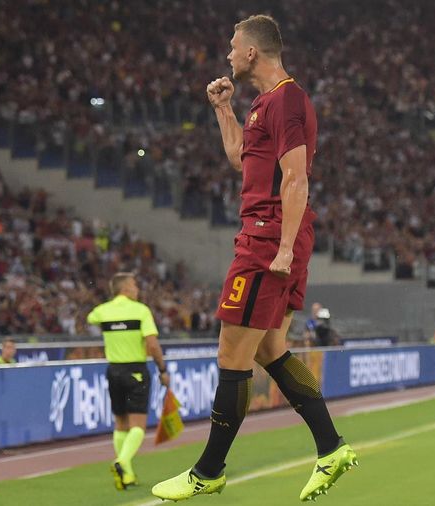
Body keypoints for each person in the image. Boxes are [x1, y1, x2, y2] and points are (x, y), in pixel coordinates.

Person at [153, 15, 356, 502]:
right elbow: (240, 159)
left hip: (267, 237)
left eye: (232, 46)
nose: (227, 54)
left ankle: (208, 470)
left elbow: (296, 178)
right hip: (274, 234)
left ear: (251, 52)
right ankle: (331, 448)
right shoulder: (265, 103)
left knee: (232, 354)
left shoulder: (286, 100)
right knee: (269, 349)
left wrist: (283, 247)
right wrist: (223, 109)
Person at [87, 272, 169, 490]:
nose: (137, 289)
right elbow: (152, 344)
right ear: (124, 288)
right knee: (138, 426)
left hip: (113, 370)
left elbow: (91, 318)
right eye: (134, 285)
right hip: (135, 370)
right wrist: (162, 369)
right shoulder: (141, 310)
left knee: (121, 423)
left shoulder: (102, 311)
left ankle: (127, 475)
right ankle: (121, 461)